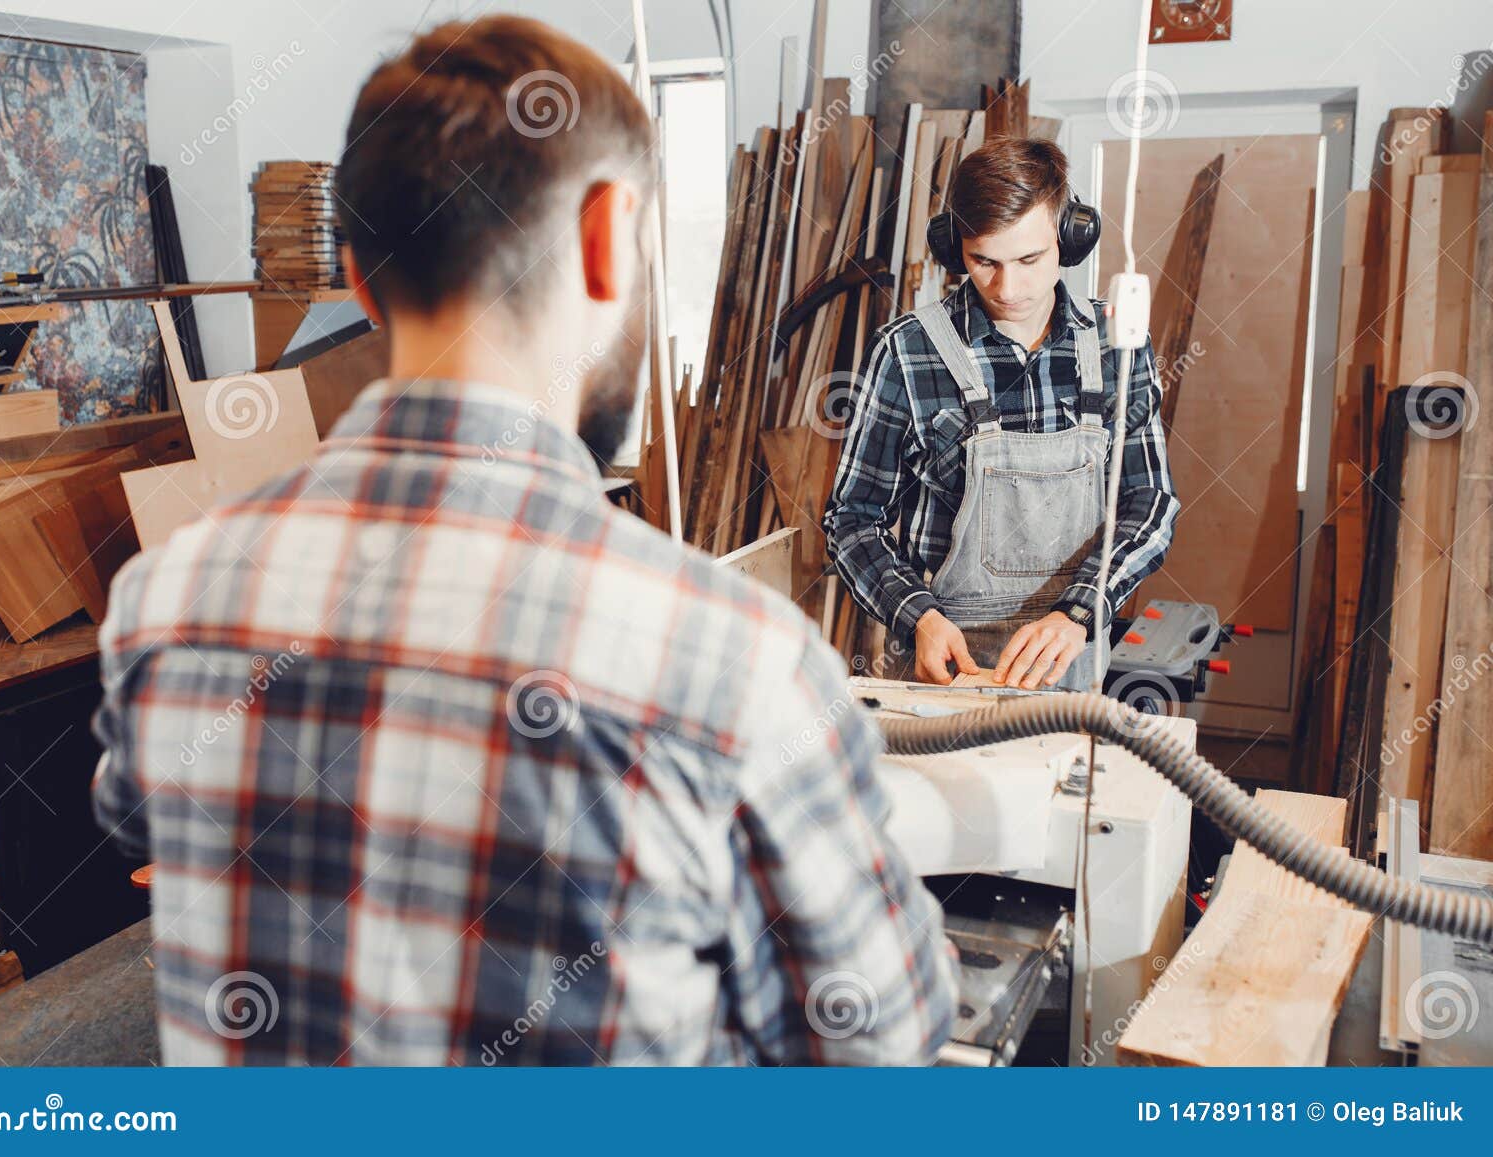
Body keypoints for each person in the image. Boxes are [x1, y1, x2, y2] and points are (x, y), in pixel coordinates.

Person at [91, 15, 955, 1066]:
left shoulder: (165, 599)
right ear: (604, 237)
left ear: (359, 277)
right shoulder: (733, 666)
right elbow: (881, 1042)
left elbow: (141, 817)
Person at [825, 137, 1179, 690]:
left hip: (1073, 653)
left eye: (1029, 259)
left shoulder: (1119, 343)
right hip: (949, 662)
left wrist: (1080, 611)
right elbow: (852, 520)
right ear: (954, 248)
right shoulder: (907, 352)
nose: (1007, 288)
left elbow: (1149, 500)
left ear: (1070, 236)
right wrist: (918, 615)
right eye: (983, 261)